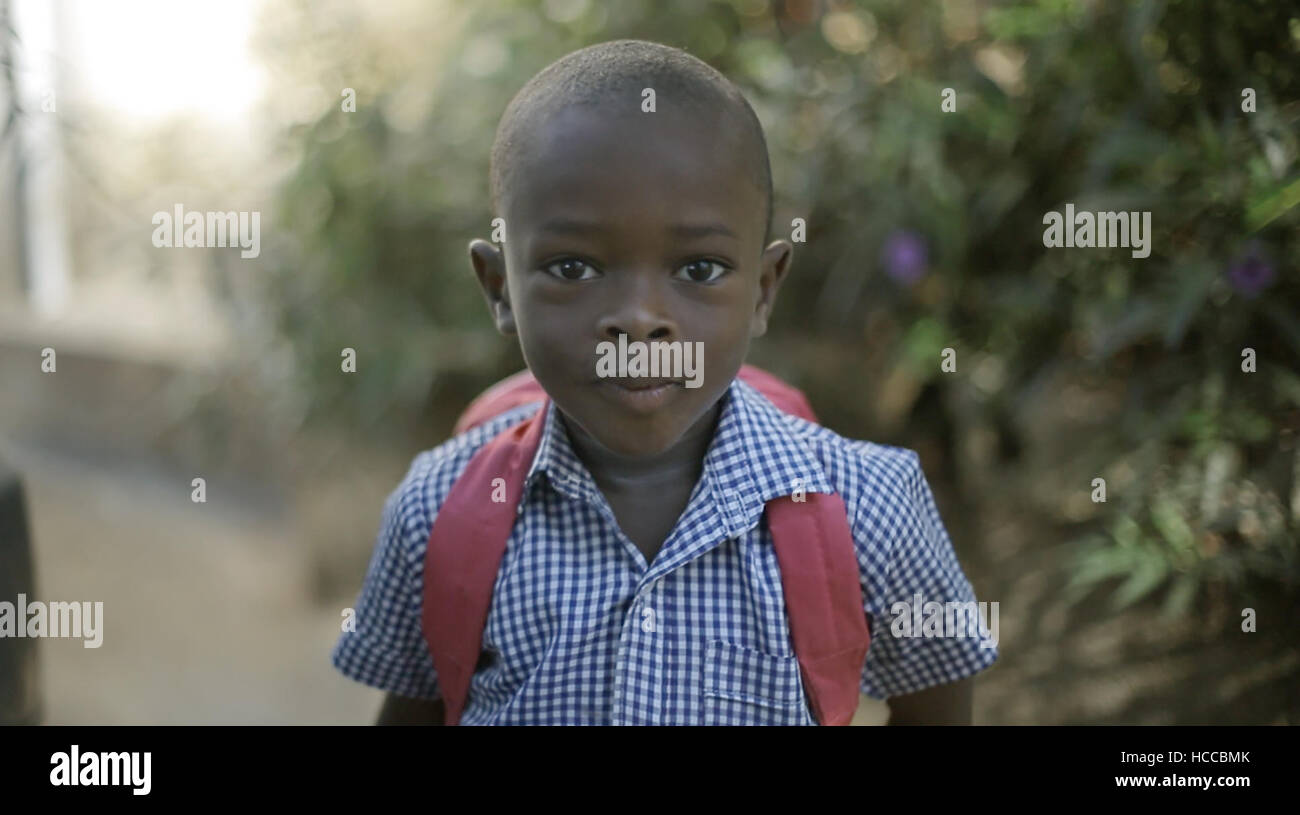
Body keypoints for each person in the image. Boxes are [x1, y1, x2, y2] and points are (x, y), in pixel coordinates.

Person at [332, 39, 997, 725]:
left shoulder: (874, 508)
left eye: (699, 270)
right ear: (499, 288)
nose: (640, 322)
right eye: (572, 269)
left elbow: (938, 697)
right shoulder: (436, 510)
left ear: (764, 290)